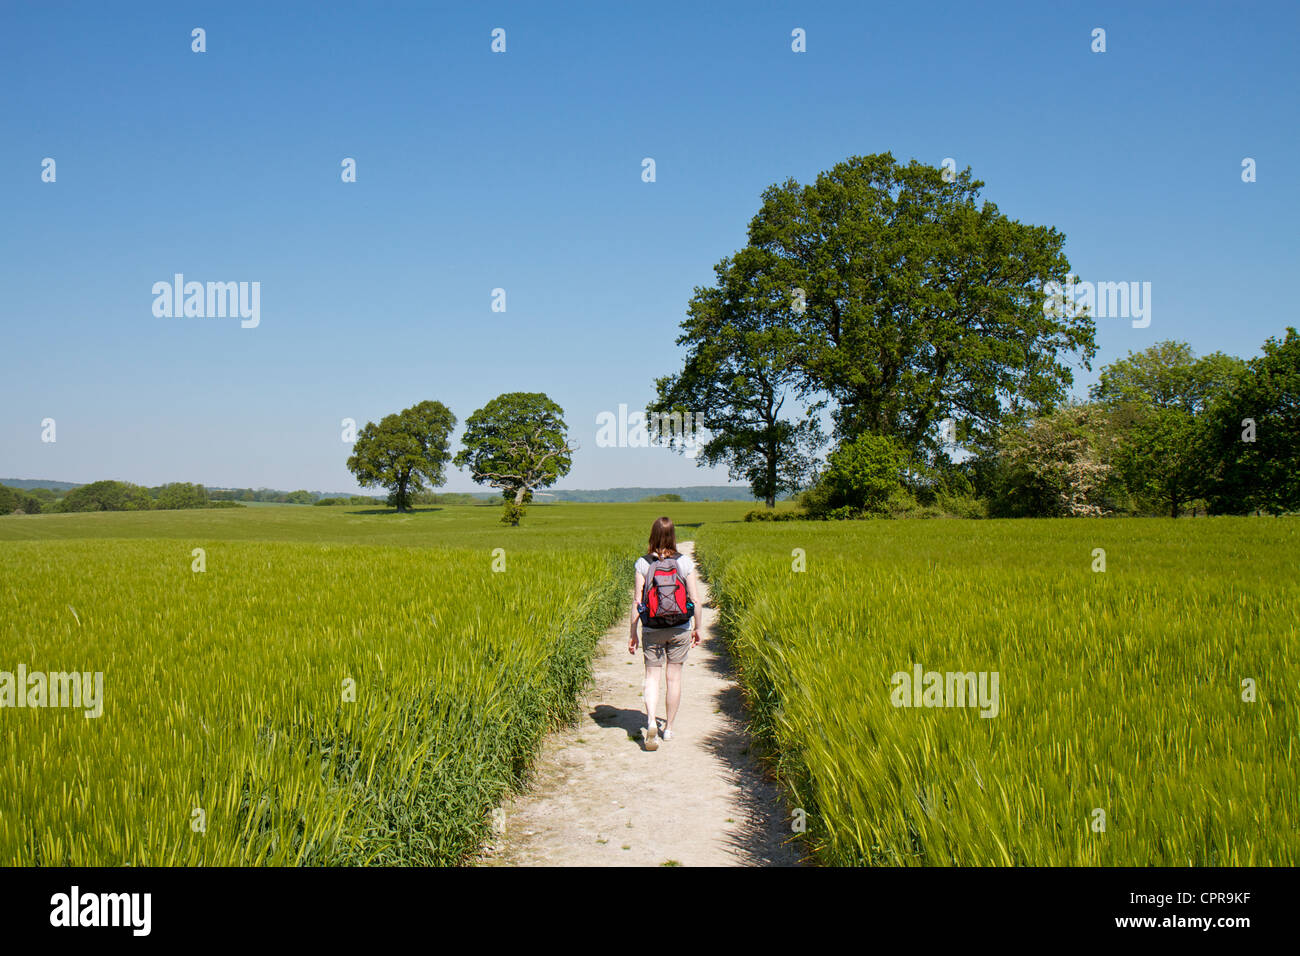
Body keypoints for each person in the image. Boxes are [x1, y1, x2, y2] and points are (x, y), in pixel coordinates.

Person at [628, 516, 701, 750]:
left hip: (652, 628)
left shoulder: (643, 563)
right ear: (673, 536)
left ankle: (650, 722)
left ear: (652, 535)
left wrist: (633, 633)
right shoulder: (684, 563)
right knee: (674, 678)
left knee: (652, 677)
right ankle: (668, 728)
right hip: (680, 627)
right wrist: (698, 627)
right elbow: (695, 600)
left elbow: (637, 602)